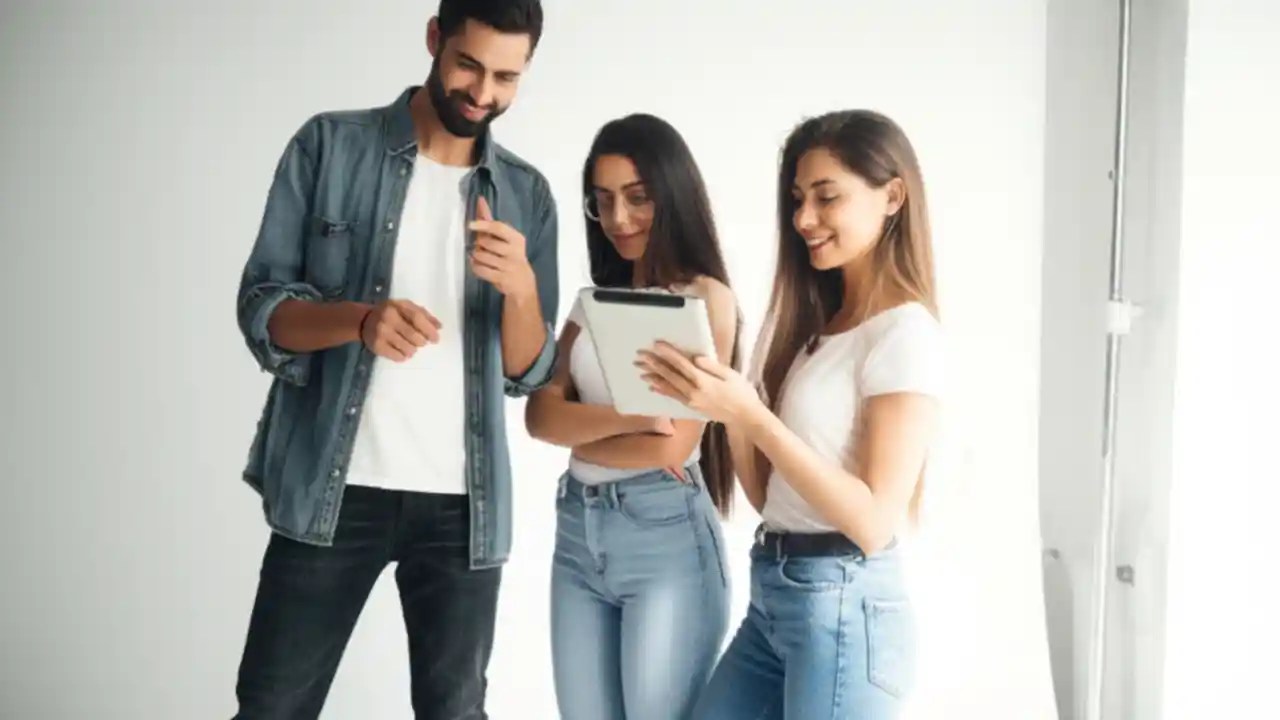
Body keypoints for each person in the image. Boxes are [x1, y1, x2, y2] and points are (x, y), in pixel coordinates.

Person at [231, 1, 556, 717]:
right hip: (333, 487)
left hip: (462, 507)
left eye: (507, 75)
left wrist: (524, 289)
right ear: (435, 38)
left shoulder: (526, 195)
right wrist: (361, 321)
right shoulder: (329, 147)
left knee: (456, 713)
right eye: (469, 64)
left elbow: (524, 372)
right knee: (272, 707)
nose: (483, 92)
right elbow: (262, 311)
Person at [639, 110, 942, 720]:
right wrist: (722, 400)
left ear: (893, 197)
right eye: (798, 199)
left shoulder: (905, 334)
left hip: (844, 605)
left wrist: (753, 416)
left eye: (827, 197)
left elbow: (874, 520)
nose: (804, 219)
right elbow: (769, 496)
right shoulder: (817, 335)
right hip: (776, 592)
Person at [525, 114, 738, 720]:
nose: (618, 219)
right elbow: (540, 418)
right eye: (603, 201)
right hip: (577, 533)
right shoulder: (591, 303)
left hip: (664, 535)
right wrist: (631, 416)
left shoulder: (705, 300)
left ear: (673, 193)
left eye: (637, 198)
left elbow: (672, 449)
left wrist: (586, 427)